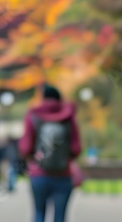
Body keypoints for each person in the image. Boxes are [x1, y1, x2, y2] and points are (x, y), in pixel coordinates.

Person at [20, 84, 81, 222]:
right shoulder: (68, 117)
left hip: (38, 174)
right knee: (60, 217)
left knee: (39, 214)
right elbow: (76, 148)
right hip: (63, 175)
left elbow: (25, 147)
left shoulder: (33, 115)